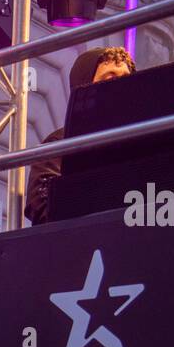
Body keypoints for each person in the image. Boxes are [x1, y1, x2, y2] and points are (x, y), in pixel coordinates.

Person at [24, 46, 136, 225]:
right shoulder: (61, 143)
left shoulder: (139, 142)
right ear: (84, 86)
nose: (121, 86)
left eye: (126, 79)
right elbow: (42, 205)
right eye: (110, 78)